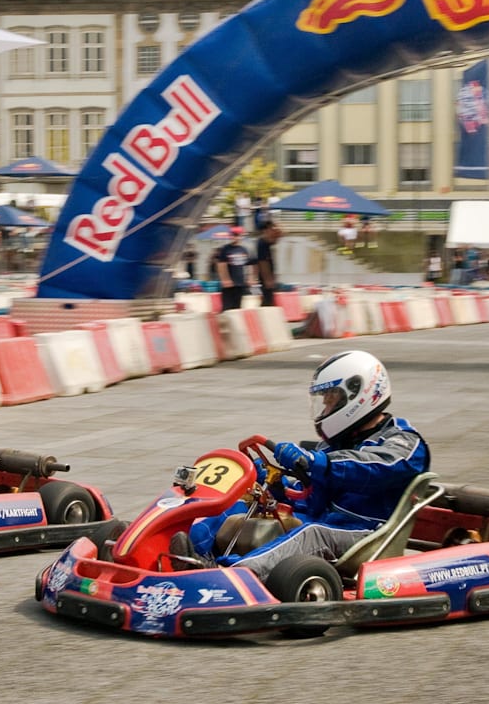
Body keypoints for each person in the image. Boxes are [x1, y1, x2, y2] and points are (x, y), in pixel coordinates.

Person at [175, 350, 430, 580]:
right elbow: (309, 496)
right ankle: (183, 556)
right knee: (242, 504)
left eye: (330, 400)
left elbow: (370, 466)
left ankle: (228, 577)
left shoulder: (404, 442)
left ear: (356, 395)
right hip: (324, 520)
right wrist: (276, 483)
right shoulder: (335, 445)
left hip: (367, 534)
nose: (325, 408)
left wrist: (314, 461)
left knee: (310, 534)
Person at [214, 227, 251, 311]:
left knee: (237, 307)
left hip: (240, 283)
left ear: (241, 236)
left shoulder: (243, 250)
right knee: (227, 307)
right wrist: (225, 279)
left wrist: (248, 278)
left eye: (237, 235)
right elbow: (221, 265)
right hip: (229, 284)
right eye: (233, 235)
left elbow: (247, 265)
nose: (234, 237)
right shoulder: (225, 249)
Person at [255, 223, 283, 306]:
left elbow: (279, 235)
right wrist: (268, 279)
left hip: (269, 276)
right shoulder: (262, 243)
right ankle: (263, 313)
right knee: (267, 298)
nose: (272, 231)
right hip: (265, 277)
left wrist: (276, 226)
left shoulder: (267, 243)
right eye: (270, 229)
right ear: (265, 231)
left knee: (269, 298)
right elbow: (262, 262)